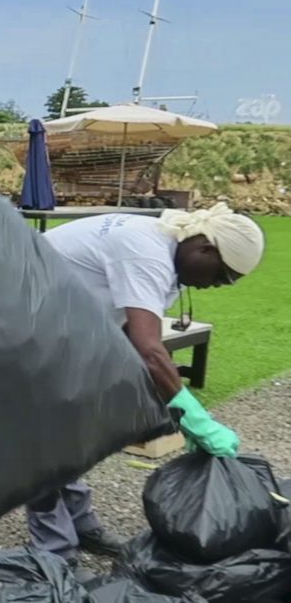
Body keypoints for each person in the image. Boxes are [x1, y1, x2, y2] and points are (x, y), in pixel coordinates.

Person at [26, 203, 264, 567]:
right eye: (224, 275)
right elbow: (149, 348)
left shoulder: (165, 254)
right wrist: (195, 417)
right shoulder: (146, 250)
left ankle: (79, 524)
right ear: (206, 248)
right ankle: (53, 552)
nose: (218, 286)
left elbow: (125, 331)